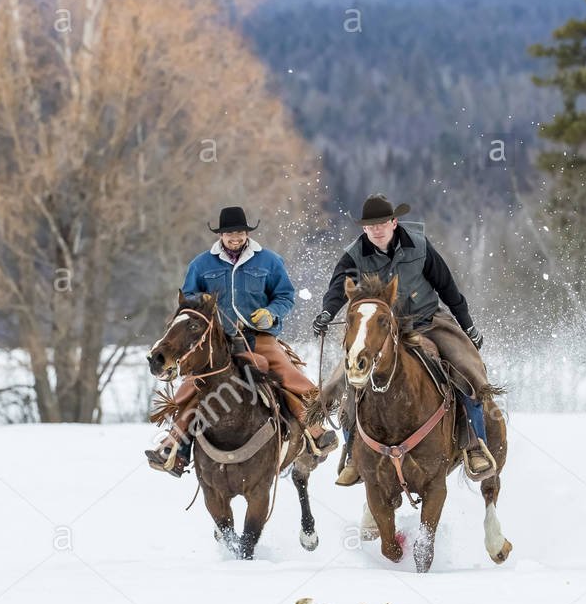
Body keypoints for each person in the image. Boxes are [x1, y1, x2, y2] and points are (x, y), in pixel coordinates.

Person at [312, 194, 494, 485]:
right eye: (371, 226)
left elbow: (448, 287)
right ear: (364, 229)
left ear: (394, 222)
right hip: (380, 332)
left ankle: (475, 445)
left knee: (469, 374)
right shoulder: (354, 254)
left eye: (383, 223)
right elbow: (337, 289)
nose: (377, 230)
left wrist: (468, 326)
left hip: (426, 322)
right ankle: (352, 453)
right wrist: (325, 312)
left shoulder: (419, 245)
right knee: (343, 381)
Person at [146, 206, 337, 476]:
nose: (234, 238)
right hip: (216, 341)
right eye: (228, 233)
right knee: (193, 387)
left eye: (239, 232)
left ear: (247, 232)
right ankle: (174, 446)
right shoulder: (201, 264)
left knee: (286, 375)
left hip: (257, 337)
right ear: (220, 235)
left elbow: (285, 296)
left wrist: (270, 314)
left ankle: (314, 428)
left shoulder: (269, 261)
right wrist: (201, 312)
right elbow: (189, 302)